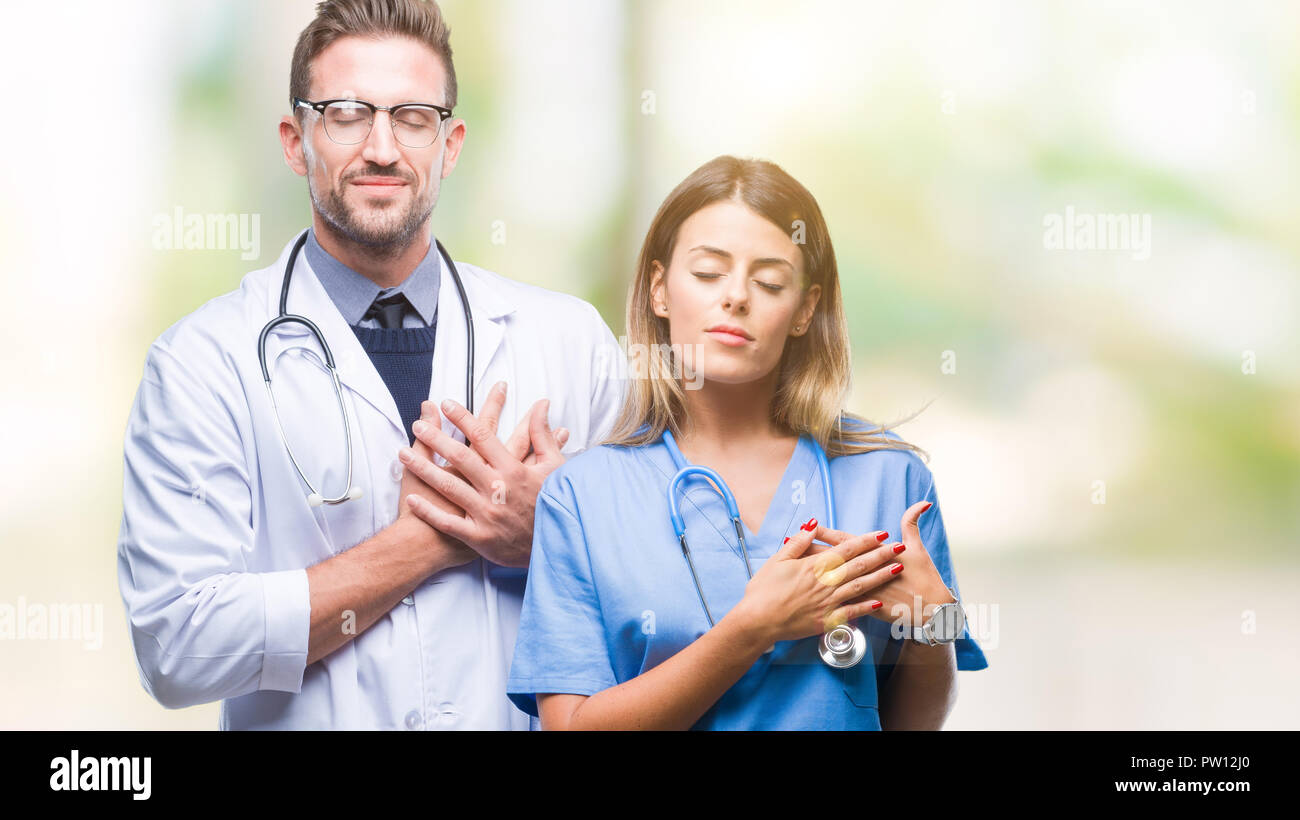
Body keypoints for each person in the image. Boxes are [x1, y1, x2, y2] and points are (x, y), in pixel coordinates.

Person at [117, 0, 625, 730]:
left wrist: (547, 535)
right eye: (348, 114)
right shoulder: (202, 364)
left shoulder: (569, 342)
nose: (382, 149)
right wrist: (429, 541)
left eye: (412, 117)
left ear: (449, 145)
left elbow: (669, 597)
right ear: (297, 142)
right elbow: (178, 647)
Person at [507, 156, 988, 730]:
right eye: (708, 273)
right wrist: (751, 628)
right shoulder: (582, 496)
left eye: (769, 282)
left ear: (804, 310)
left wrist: (932, 627)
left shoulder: (889, 477)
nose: (736, 297)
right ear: (660, 291)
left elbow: (914, 726)